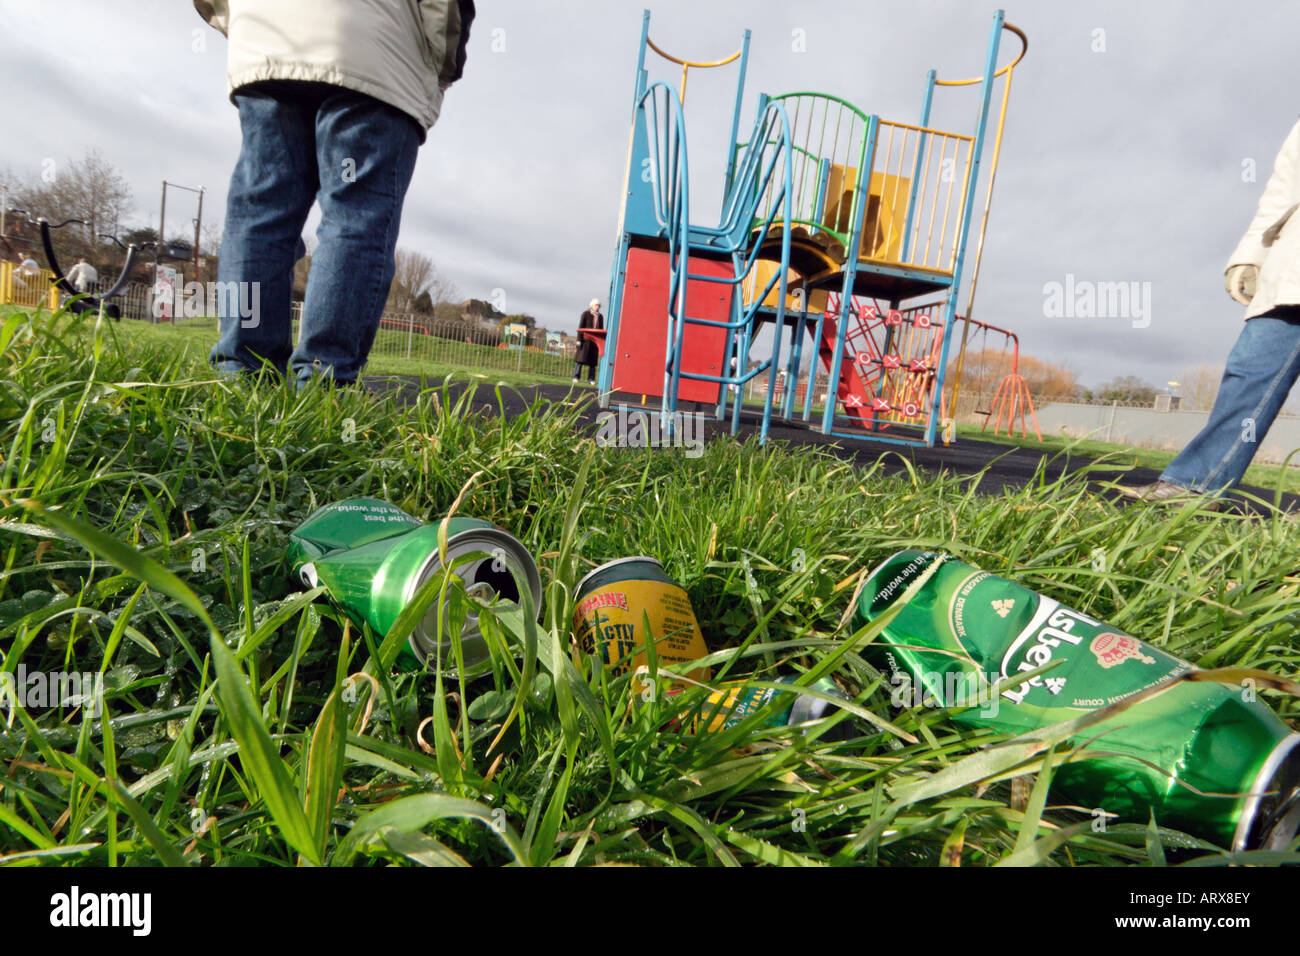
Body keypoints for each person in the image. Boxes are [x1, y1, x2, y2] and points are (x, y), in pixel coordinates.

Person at [194, 0, 475, 386]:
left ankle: (241, 371)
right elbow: (446, 14)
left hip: (264, 36)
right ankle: (323, 382)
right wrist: (441, 70)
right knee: (353, 216)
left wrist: (244, 23)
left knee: (259, 214)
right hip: (373, 49)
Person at [1121, 118, 1300, 505]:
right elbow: (1286, 182)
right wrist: (1252, 253)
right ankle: (1196, 485)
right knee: (1250, 369)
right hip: (1294, 268)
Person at [574, 298, 604, 385]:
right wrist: (579, 340)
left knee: (593, 362)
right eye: (596, 305)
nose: (597, 307)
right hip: (585, 341)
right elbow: (581, 327)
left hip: (594, 342)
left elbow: (601, 329)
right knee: (580, 360)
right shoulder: (585, 314)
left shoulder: (600, 317)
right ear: (591, 306)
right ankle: (576, 377)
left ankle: (591, 379)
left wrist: (600, 342)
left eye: (599, 306)